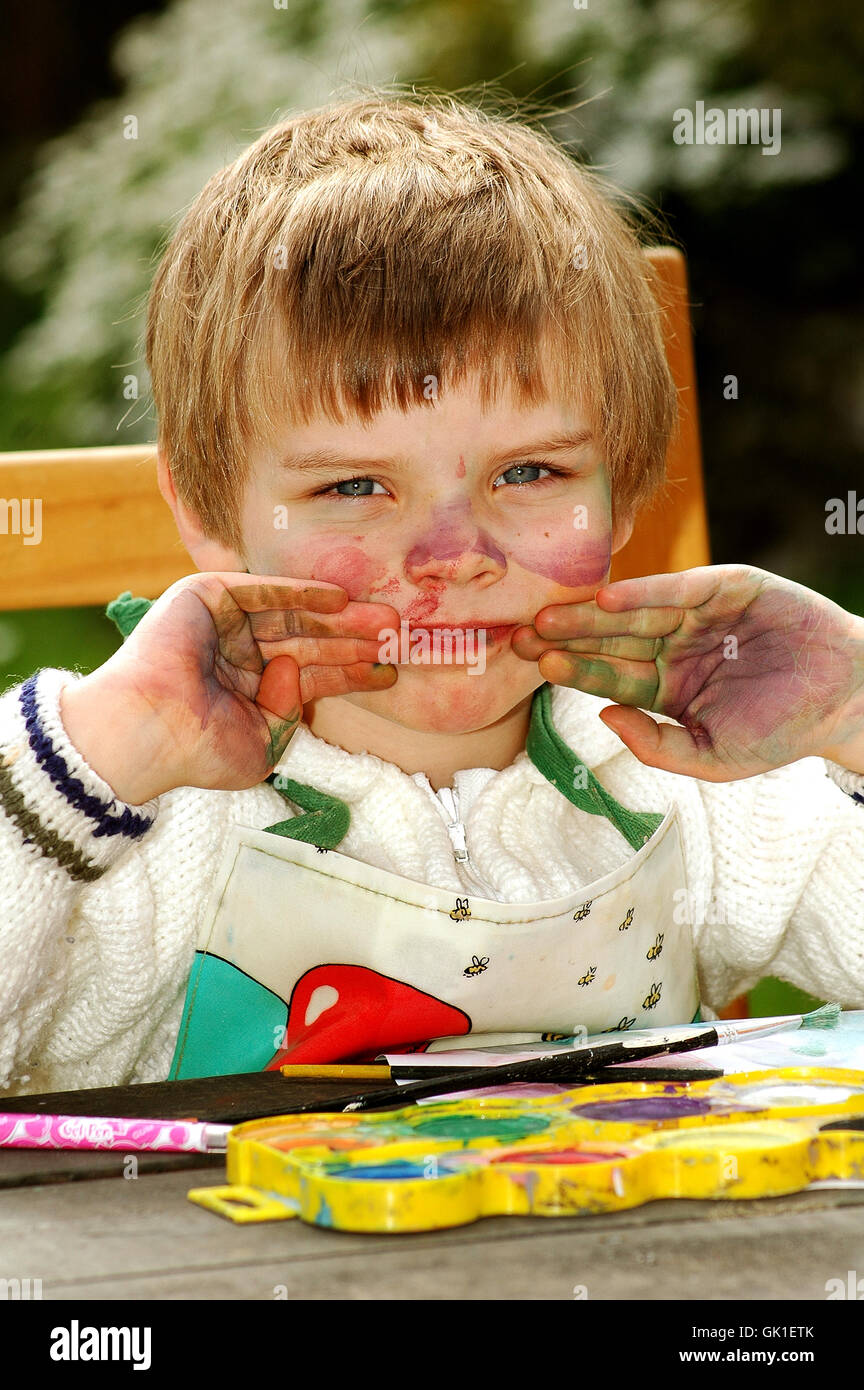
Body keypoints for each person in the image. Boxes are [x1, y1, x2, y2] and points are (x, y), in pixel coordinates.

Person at [1, 92, 862, 1096]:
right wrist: (88, 756)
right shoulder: (127, 815)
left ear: (624, 489)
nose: (453, 555)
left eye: (529, 473)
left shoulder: (697, 785)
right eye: (355, 488)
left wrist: (854, 715)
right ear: (203, 510)